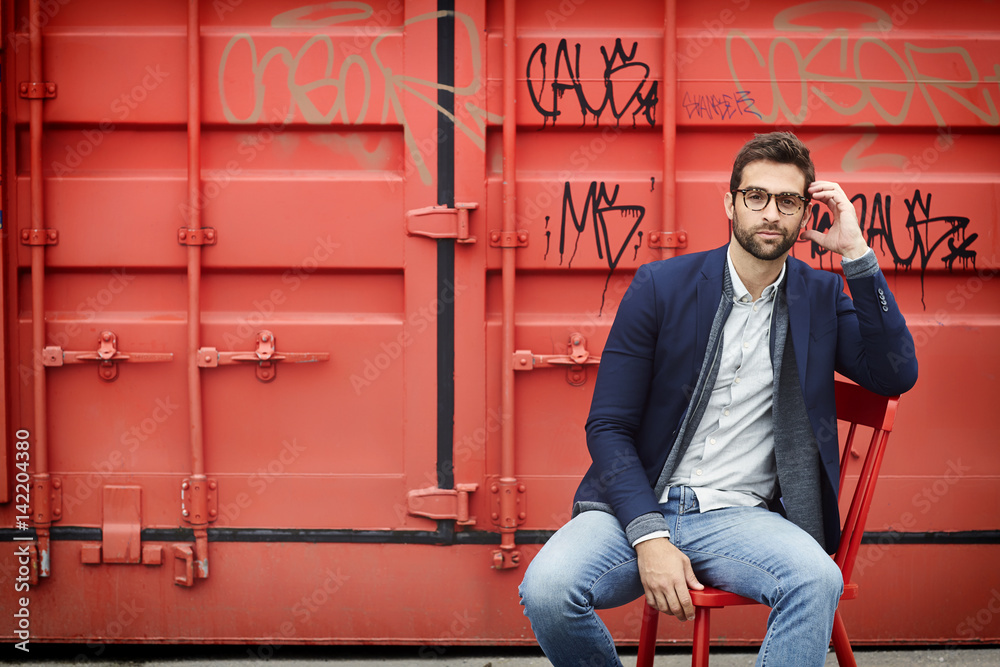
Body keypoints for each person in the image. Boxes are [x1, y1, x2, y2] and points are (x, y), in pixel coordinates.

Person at [518, 131, 918, 667]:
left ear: (805, 216)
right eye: (755, 197)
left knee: (816, 580)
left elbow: (896, 374)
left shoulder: (819, 296)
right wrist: (650, 536)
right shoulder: (661, 287)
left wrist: (857, 255)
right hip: (636, 504)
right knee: (547, 589)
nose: (770, 213)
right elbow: (607, 426)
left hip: (742, 516)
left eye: (788, 201)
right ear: (730, 203)